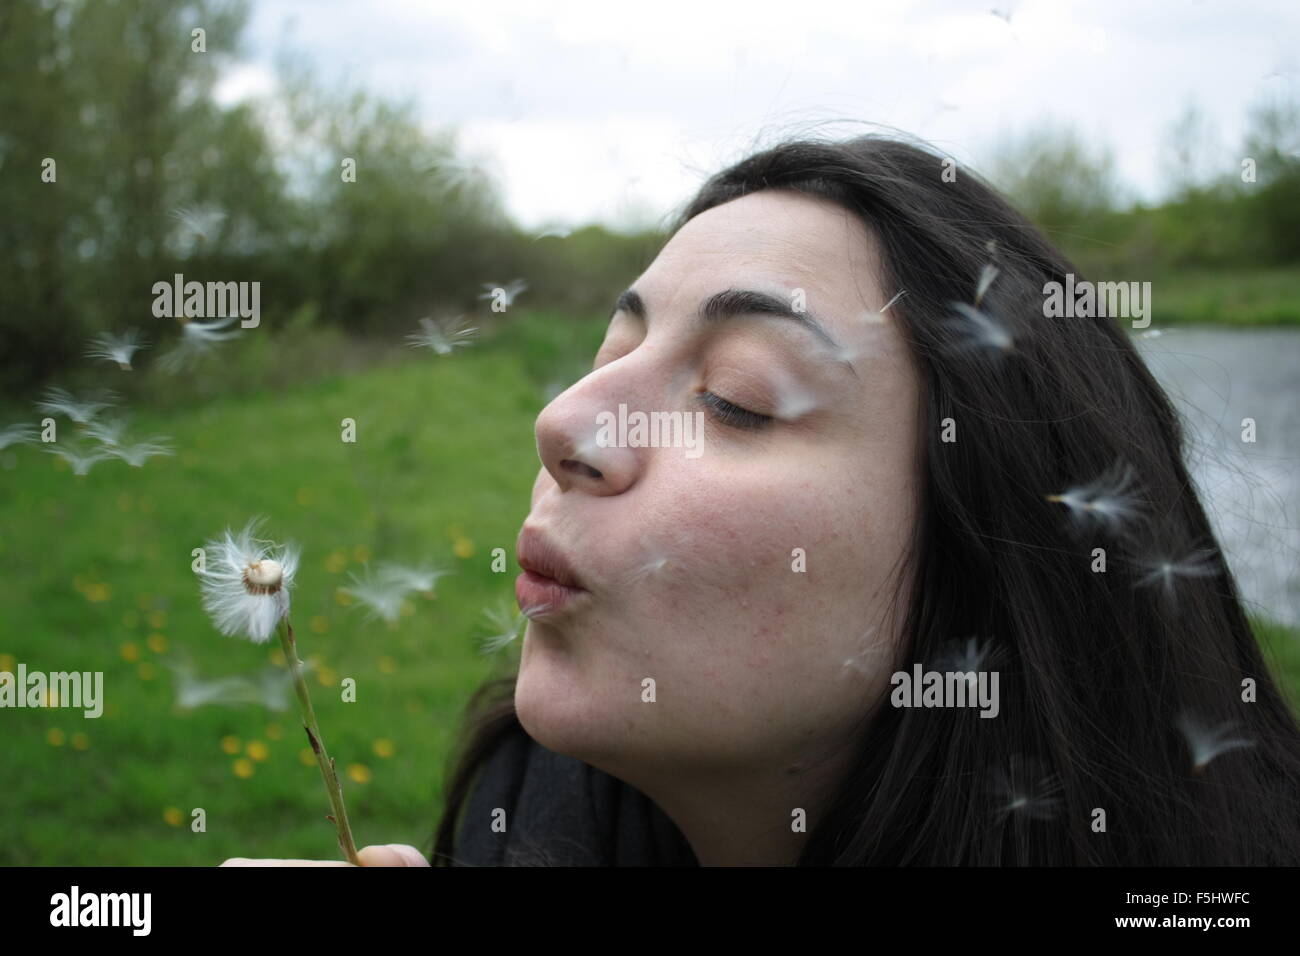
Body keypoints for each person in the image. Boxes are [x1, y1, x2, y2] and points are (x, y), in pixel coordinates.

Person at [224, 132, 1300, 868]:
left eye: (734, 398)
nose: (561, 423)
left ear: (987, 569)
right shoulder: (522, 813)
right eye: (612, 352)